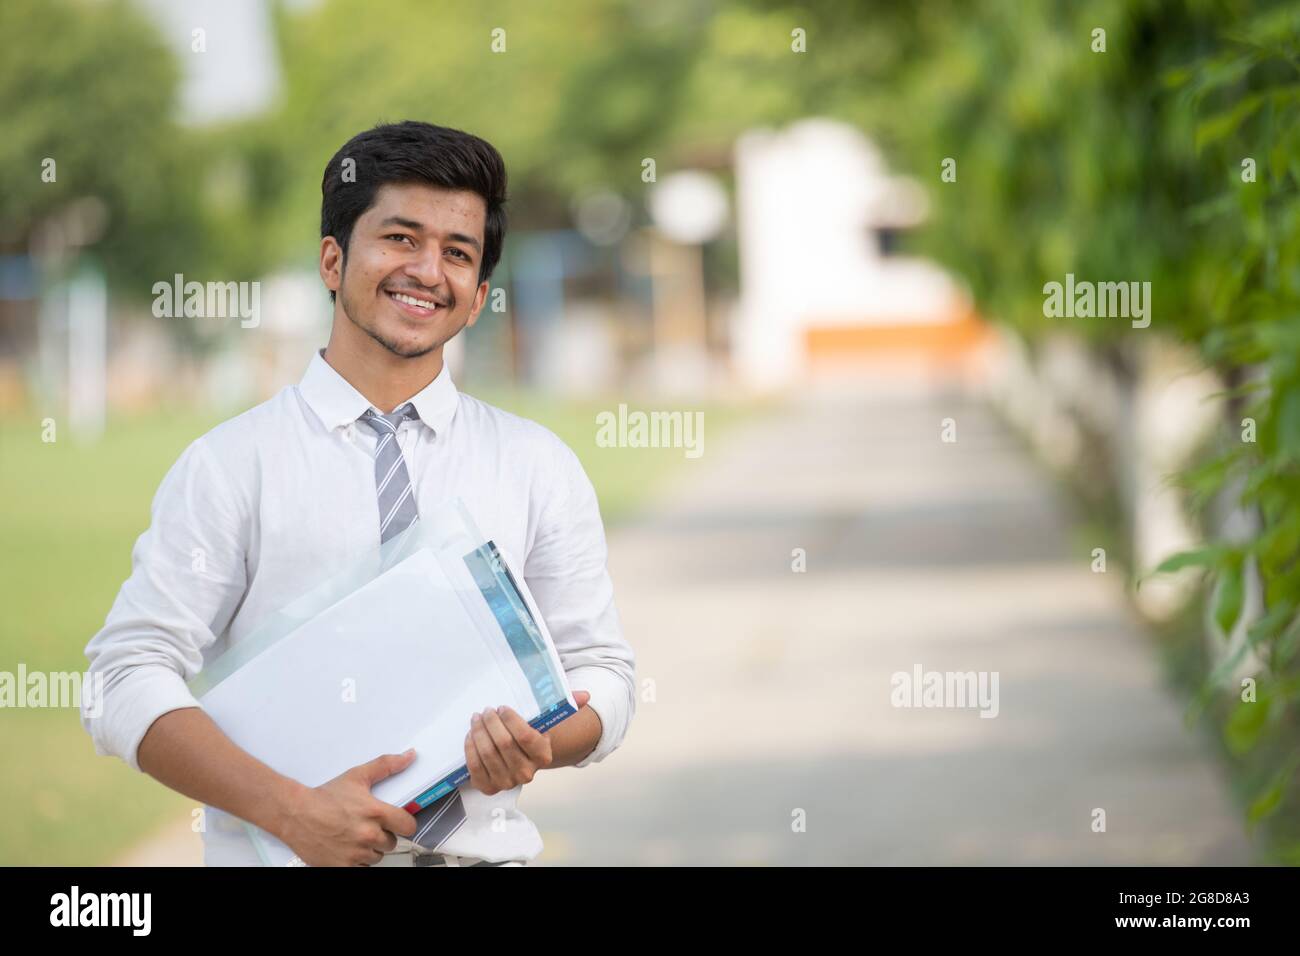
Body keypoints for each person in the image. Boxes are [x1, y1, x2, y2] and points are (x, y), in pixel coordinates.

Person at [81, 120, 636, 867]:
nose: (428, 271)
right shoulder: (232, 465)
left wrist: (542, 743)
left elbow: (603, 673)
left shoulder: (536, 465)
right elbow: (125, 675)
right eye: (401, 239)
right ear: (332, 260)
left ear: (477, 298)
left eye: (458, 253)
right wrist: (291, 813)